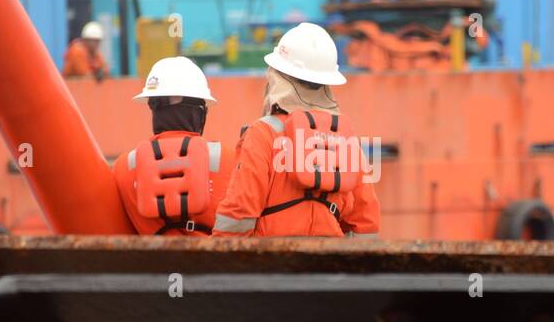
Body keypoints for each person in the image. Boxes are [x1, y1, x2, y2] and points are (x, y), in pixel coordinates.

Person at [213, 22, 380, 238]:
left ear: (277, 76)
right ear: (326, 83)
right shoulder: (346, 141)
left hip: (273, 263)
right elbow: (366, 221)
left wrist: (216, 258)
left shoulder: (263, 134)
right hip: (328, 265)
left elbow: (239, 214)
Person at [113, 56, 222, 236]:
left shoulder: (124, 167)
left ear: (153, 106)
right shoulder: (227, 160)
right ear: (199, 111)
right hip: (212, 262)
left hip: (153, 263)